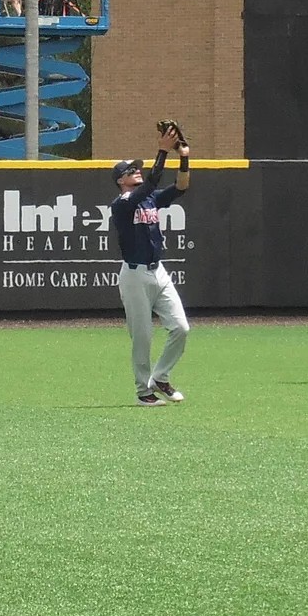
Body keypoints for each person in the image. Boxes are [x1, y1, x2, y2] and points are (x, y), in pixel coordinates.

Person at [112, 123, 191, 405]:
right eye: (130, 170)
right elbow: (152, 182)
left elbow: (181, 186)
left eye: (137, 168)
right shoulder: (123, 204)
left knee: (181, 328)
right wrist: (161, 150)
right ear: (121, 181)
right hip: (134, 276)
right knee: (143, 338)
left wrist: (183, 156)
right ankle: (143, 392)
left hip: (158, 272)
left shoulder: (150, 201)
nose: (136, 170)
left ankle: (160, 377)